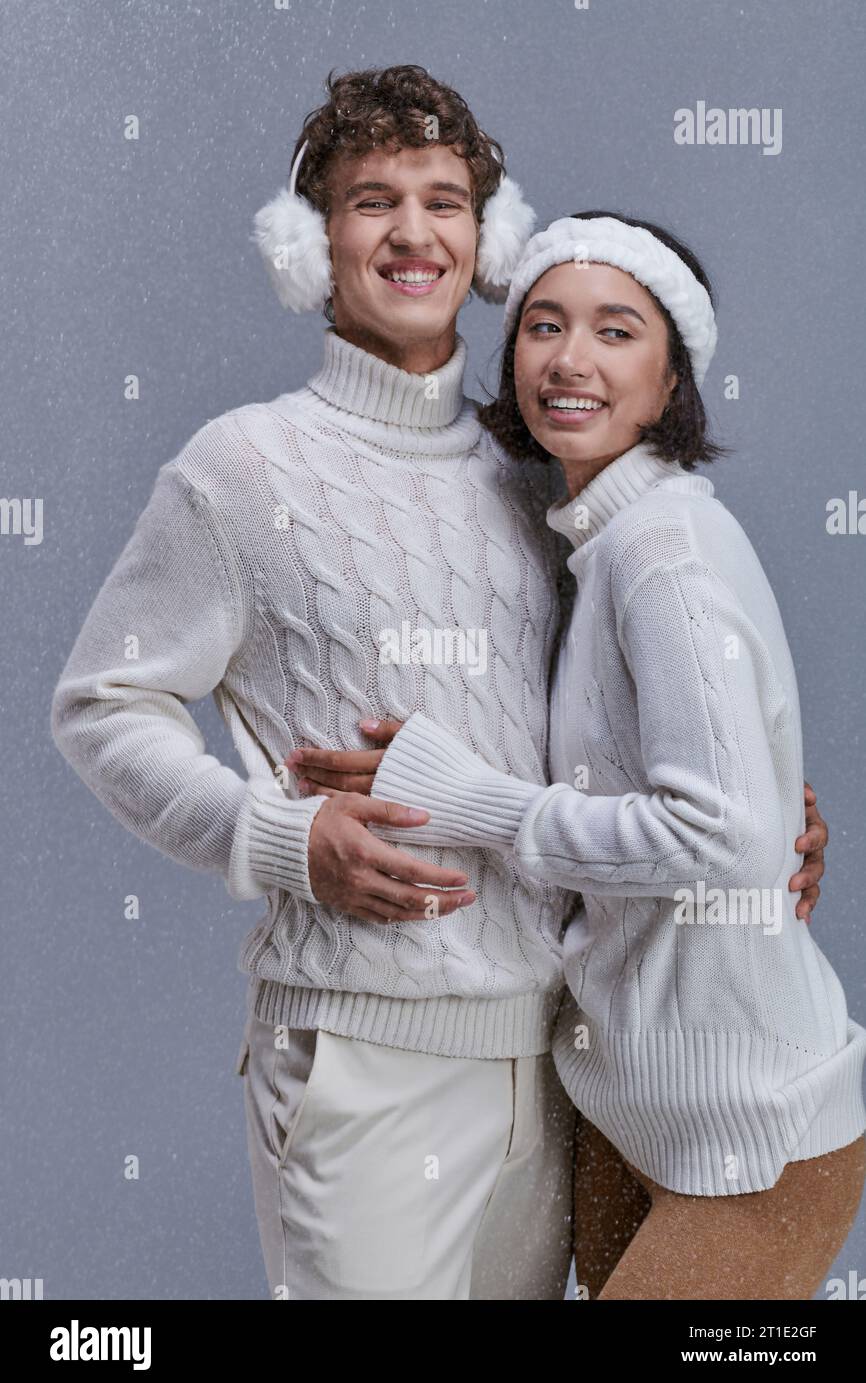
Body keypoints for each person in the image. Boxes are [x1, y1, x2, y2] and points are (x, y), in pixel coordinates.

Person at [49, 61, 828, 1301]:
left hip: (557, 1065)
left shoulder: (546, 482)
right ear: (313, 244)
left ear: (486, 238)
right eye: (371, 199)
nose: (412, 230)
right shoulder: (240, 470)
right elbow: (101, 700)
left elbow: (641, 717)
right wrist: (272, 835)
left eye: (444, 199)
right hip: (361, 1062)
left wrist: (759, 807)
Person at [291, 210, 866, 1299]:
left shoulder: (662, 552)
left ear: (670, 382)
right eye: (543, 325)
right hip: (624, 1108)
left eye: (615, 332)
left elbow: (726, 836)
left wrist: (469, 800)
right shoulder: (588, 541)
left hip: (749, 1134)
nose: (569, 358)